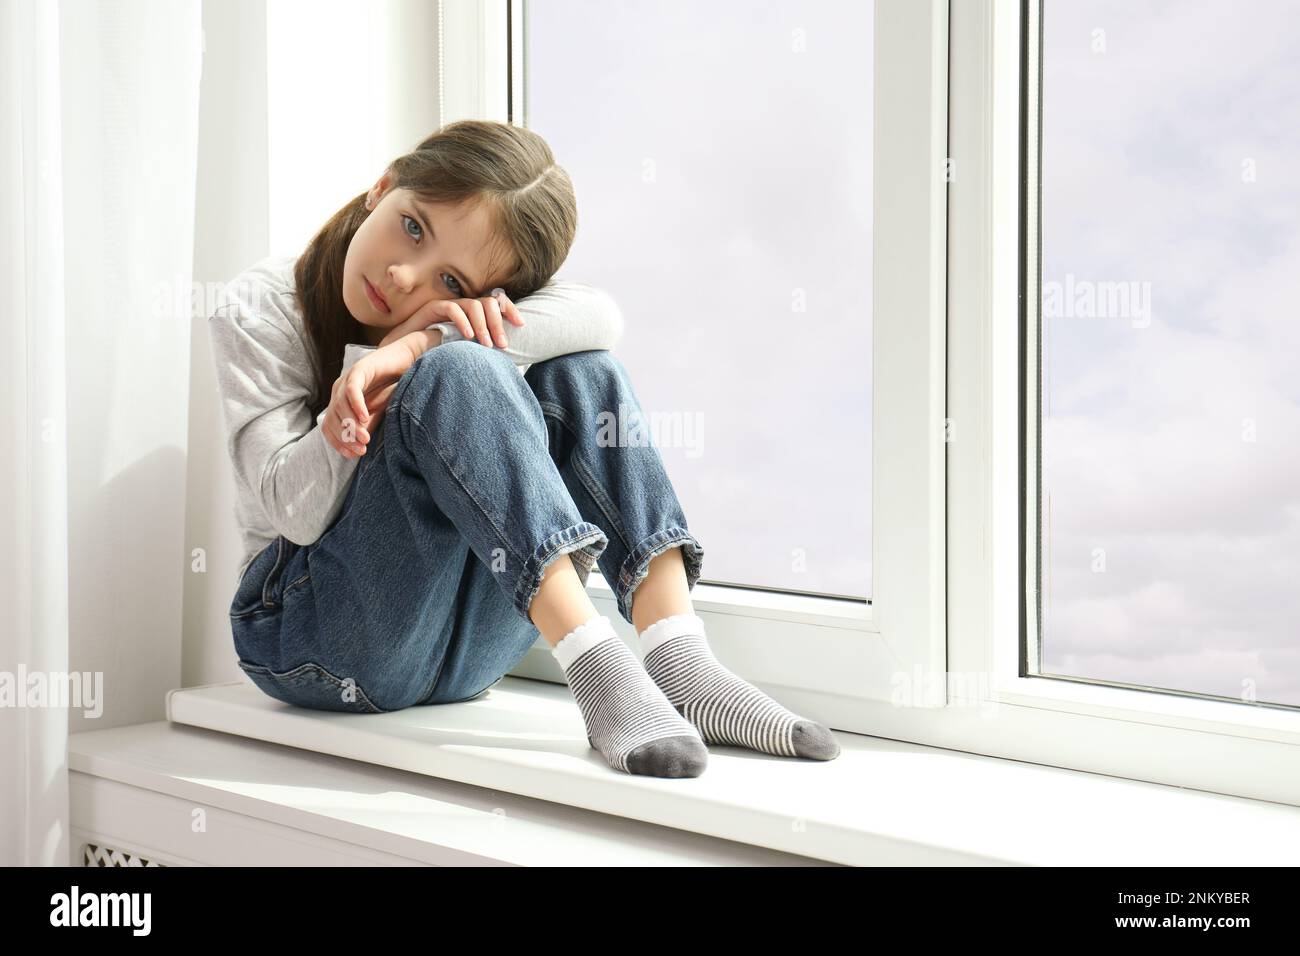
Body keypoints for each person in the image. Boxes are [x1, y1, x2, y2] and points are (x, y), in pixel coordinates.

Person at [209, 119, 839, 777]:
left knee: (581, 369)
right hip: (311, 640)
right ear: (384, 185)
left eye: (452, 284)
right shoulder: (262, 303)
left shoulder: (450, 316)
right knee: (463, 370)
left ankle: (683, 662)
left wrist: (420, 341)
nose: (404, 276)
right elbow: (291, 510)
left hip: (464, 654)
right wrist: (375, 374)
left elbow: (601, 319)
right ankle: (602, 673)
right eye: (414, 225)